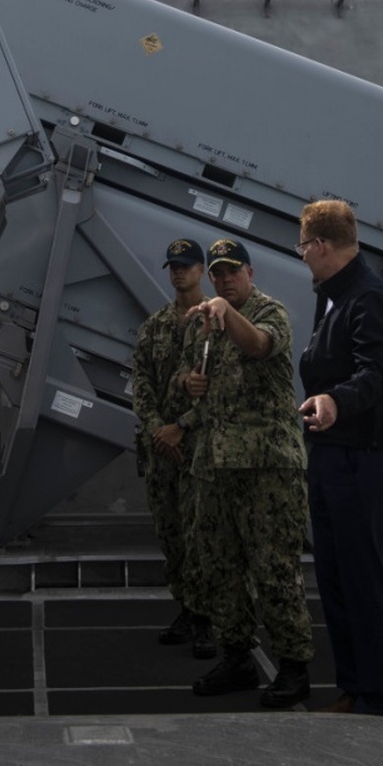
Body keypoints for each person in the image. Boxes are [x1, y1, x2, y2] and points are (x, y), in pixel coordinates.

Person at [181, 237, 314, 706]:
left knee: (275, 570)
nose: (224, 279)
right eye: (217, 273)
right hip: (216, 466)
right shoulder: (203, 322)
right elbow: (187, 376)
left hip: (266, 469)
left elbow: (259, 346)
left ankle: (295, 667)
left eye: (232, 271)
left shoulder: (268, 312)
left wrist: (223, 310)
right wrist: (189, 381)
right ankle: (236, 658)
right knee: (222, 568)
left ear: (250, 274)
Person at [295, 199, 383, 717]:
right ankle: (353, 687)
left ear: (319, 245)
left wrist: (335, 400)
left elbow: (377, 376)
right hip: (332, 455)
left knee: (364, 580)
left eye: (303, 248)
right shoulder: (335, 295)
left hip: (360, 459)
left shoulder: (370, 297)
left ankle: (382, 700)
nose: (303, 258)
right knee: (337, 579)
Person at [132, 238, 214, 659]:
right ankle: (186, 609)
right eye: (173, 267)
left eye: (185, 266)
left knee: (202, 538)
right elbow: (141, 385)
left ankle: (206, 620)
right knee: (172, 537)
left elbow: (221, 390)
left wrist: (183, 427)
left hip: (200, 451)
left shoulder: (216, 323)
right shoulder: (155, 326)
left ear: (202, 270)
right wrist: (158, 431)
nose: (178, 273)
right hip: (163, 450)